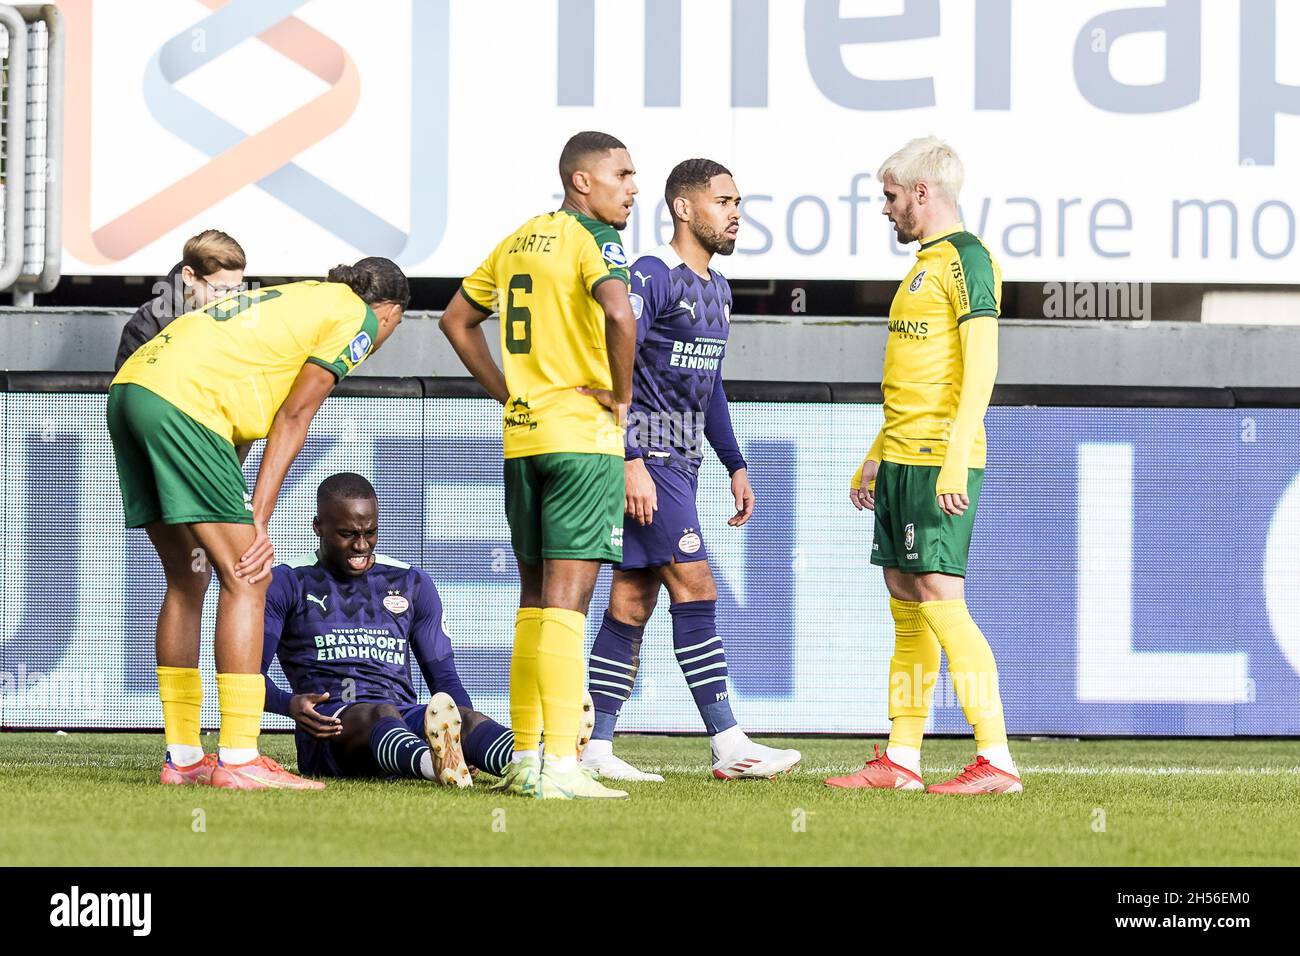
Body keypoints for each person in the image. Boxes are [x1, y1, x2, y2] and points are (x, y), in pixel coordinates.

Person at [108, 257, 409, 790]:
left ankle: (183, 759)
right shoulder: (360, 319)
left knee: (188, 578)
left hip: (131, 391)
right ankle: (240, 758)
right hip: (184, 404)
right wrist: (258, 518)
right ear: (390, 313)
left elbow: (240, 422)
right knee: (250, 576)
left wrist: (236, 505)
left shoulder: (300, 296)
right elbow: (294, 417)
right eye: (394, 327)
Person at [580, 159, 801, 782]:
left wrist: (735, 461)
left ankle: (595, 747)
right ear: (684, 207)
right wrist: (627, 457)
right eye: (724, 200)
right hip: (647, 452)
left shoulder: (719, 289)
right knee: (697, 585)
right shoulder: (651, 275)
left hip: (685, 458)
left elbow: (711, 384)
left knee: (632, 599)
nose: (736, 213)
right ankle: (728, 743)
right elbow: (609, 359)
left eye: (739, 202)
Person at [439, 131, 638, 800]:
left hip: (524, 438)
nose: (632, 187)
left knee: (533, 603)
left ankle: (525, 756)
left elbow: (456, 319)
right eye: (622, 174)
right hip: (582, 438)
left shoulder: (521, 238)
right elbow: (619, 310)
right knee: (568, 606)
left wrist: (507, 392)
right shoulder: (596, 240)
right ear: (582, 182)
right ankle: (561, 764)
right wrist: (622, 395)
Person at [825, 136, 1021, 795]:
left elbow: (982, 366)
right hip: (904, 458)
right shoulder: (923, 265)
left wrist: (956, 461)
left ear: (922, 193)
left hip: (940, 458)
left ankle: (996, 758)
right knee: (908, 603)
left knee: (942, 600)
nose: (885, 209)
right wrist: (877, 454)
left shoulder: (968, 258)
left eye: (890, 196)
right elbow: (912, 378)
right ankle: (902, 758)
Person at [260, 474, 517, 786]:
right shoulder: (285, 583)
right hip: (331, 727)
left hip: (404, 717)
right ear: (318, 527)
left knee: (468, 719)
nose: (361, 545)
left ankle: (533, 762)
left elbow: (445, 678)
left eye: (371, 532)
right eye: (347, 534)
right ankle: (434, 765)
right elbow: (247, 674)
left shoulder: (411, 582)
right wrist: (287, 704)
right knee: (379, 713)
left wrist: (462, 730)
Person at [114, 229, 247, 372]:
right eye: (219, 289)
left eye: (236, 289)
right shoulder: (150, 321)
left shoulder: (239, 315)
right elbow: (129, 384)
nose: (229, 299)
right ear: (189, 276)